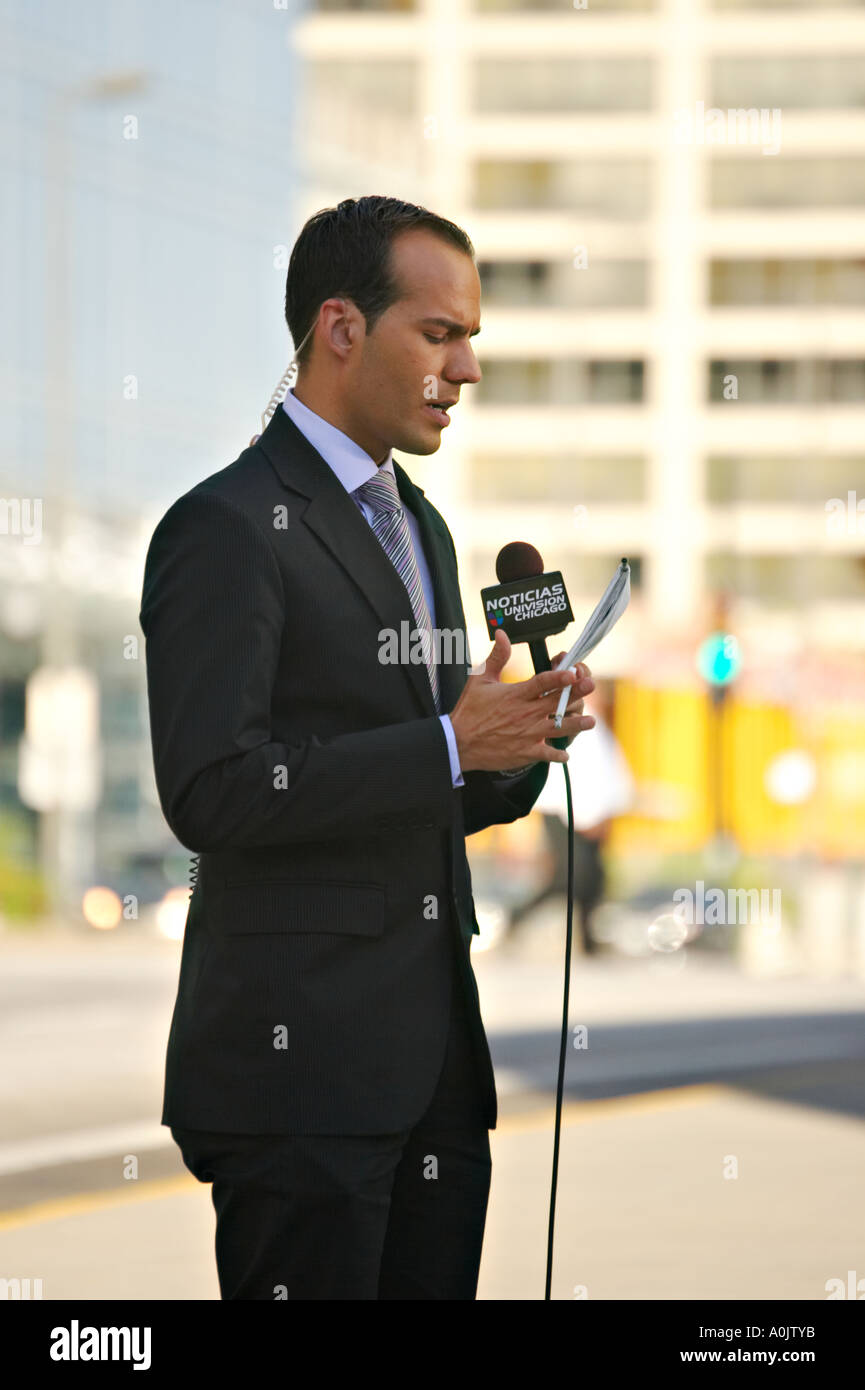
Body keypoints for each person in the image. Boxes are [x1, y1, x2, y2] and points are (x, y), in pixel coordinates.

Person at [139, 195, 595, 1301]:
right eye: (439, 333)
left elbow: (437, 781)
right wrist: (446, 742)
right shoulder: (228, 526)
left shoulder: (423, 527)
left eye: (471, 336)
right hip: (301, 1092)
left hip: (434, 1073)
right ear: (341, 329)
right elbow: (214, 789)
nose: (467, 367)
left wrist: (511, 741)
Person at [505, 682, 634, 954]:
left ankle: (588, 939)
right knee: (569, 878)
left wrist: (601, 815)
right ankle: (518, 917)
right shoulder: (572, 727)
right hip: (566, 813)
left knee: (590, 879)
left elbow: (608, 777)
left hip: (588, 817)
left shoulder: (600, 732)